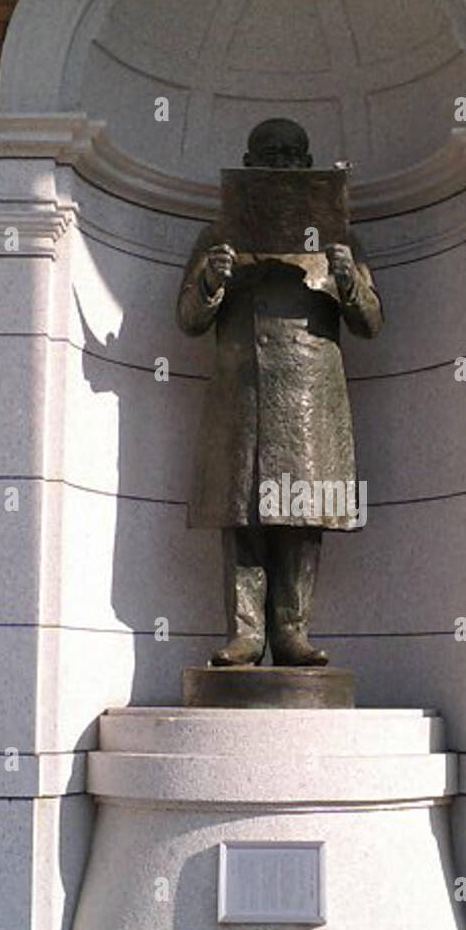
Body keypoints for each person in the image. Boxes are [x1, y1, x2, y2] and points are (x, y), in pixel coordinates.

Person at [176, 117, 383, 666]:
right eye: (271, 152)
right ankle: (245, 633)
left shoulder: (339, 235)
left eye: (294, 153)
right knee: (242, 515)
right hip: (241, 392)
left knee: (301, 515)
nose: (283, 163)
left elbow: (371, 322)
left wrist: (347, 277)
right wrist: (212, 280)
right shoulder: (218, 235)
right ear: (249, 162)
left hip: (311, 392)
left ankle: (292, 630)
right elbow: (188, 319)